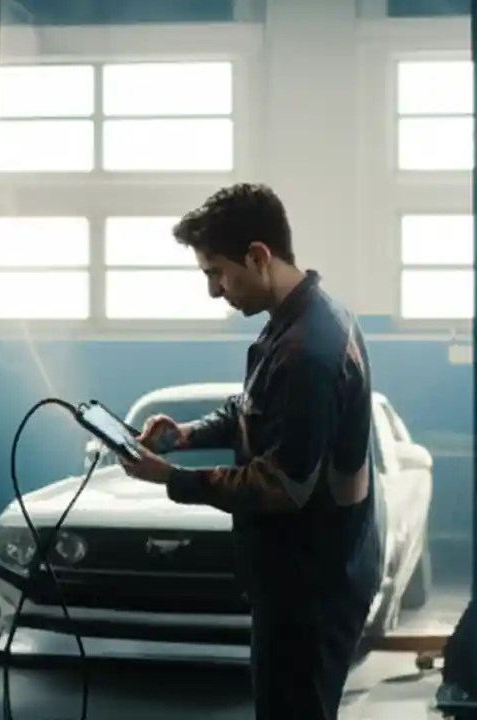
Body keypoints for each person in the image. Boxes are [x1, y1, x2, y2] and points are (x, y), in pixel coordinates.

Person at [118, 183, 382, 720]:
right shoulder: (304, 320)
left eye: (217, 272)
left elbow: (281, 483)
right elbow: (256, 407)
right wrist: (187, 434)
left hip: (311, 586)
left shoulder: (308, 350)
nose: (215, 291)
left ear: (258, 257)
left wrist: (170, 477)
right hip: (313, 568)